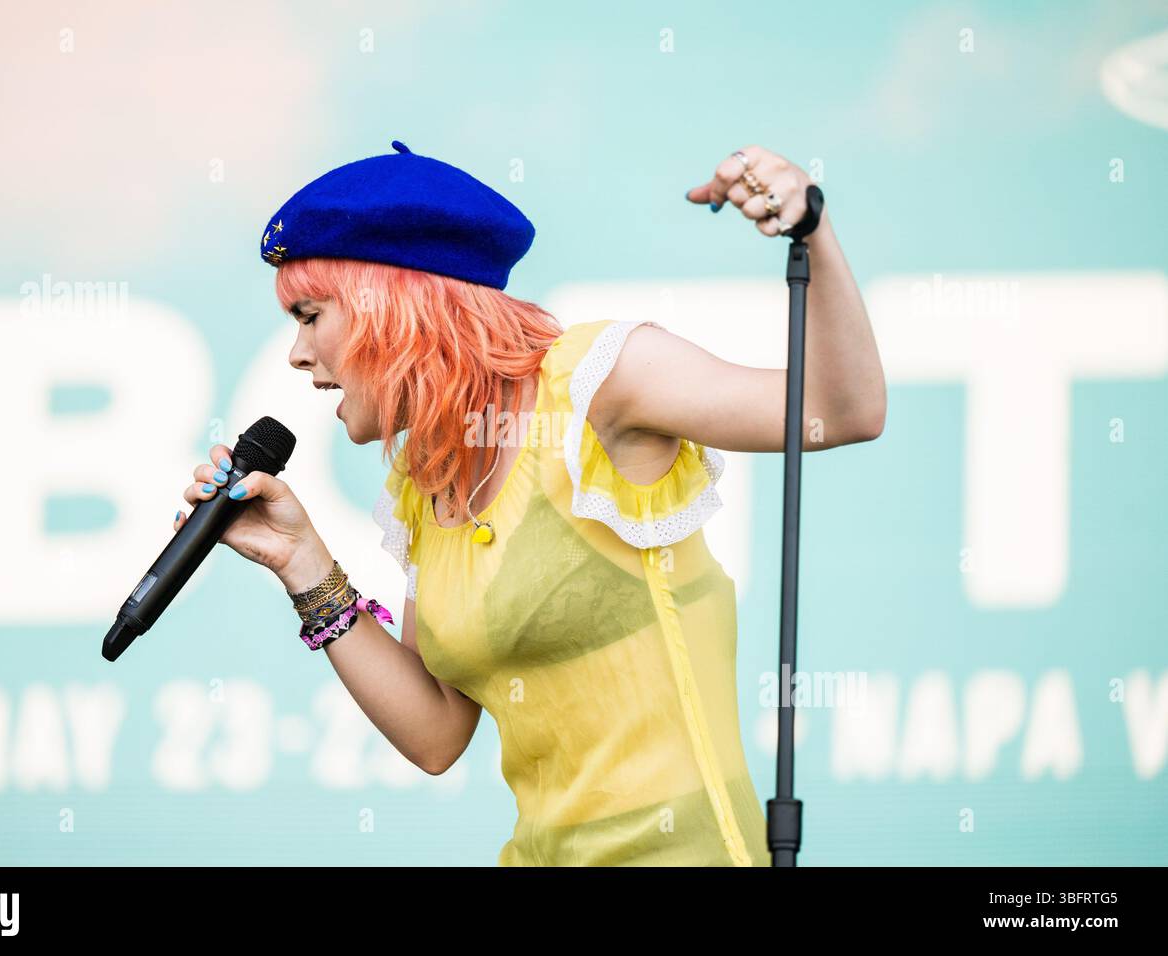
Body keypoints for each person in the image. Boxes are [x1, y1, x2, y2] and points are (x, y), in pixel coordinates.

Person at [173, 140, 886, 865]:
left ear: (395, 307)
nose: (297, 352)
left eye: (309, 313)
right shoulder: (428, 480)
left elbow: (839, 409)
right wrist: (304, 564)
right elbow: (436, 735)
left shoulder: (600, 384)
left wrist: (813, 228)